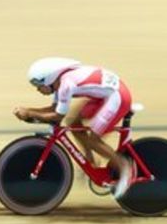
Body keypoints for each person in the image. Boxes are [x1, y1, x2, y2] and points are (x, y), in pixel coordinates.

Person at [14, 57, 134, 198]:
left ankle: (124, 167)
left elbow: (58, 116)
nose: (38, 90)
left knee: (93, 140)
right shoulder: (59, 83)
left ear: (49, 80)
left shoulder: (66, 85)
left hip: (117, 97)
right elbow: (54, 109)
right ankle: (90, 160)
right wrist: (28, 110)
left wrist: (29, 113)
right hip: (105, 96)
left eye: (39, 85)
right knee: (74, 122)